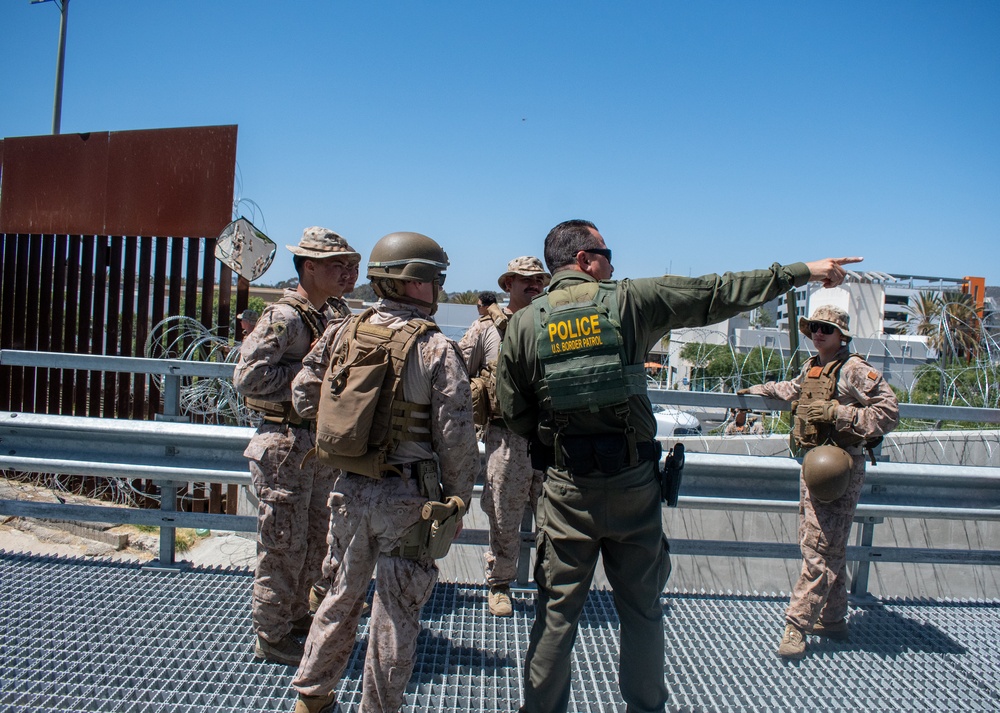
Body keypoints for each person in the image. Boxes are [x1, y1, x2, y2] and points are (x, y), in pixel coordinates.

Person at [496, 218, 863, 713]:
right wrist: (803, 271)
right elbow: (717, 292)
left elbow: (514, 412)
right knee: (643, 610)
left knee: (556, 613)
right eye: (607, 252)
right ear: (585, 259)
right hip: (633, 487)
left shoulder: (522, 323)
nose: (612, 262)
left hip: (567, 489)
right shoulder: (629, 301)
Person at [290, 231, 479, 713]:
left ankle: (311, 698)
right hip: (410, 501)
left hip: (350, 490)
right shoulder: (438, 348)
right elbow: (455, 436)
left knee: (338, 597)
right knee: (396, 615)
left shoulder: (341, 330)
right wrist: (457, 502)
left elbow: (302, 396)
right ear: (414, 283)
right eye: (435, 279)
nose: (437, 287)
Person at [738, 304, 898, 659]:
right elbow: (793, 390)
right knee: (828, 545)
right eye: (814, 327)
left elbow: (888, 411)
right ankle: (833, 618)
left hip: (840, 468)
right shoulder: (813, 366)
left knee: (819, 547)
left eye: (827, 328)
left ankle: (797, 626)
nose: (819, 333)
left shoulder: (854, 369)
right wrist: (757, 390)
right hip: (815, 466)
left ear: (842, 335)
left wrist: (838, 412)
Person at [233, 227, 361, 666]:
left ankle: (297, 619)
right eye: (336, 266)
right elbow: (247, 379)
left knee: (312, 542)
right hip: (284, 444)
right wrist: (312, 385)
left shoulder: (333, 313)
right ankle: (270, 635)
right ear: (308, 267)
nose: (347, 274)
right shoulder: (285, 317)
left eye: (350, 266)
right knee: (282, 544)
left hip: (316, 445)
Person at [458, 256, 550, 616]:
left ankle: (551, 585)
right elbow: (456, 376)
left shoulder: (552, 324)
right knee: (503, 516)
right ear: (507, 283)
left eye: (539, 280)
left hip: (546, 439)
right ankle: (500, 584)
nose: (533, 285)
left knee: (554, 519)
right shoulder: (484, 330)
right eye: (525, 279)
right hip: (505, 438)